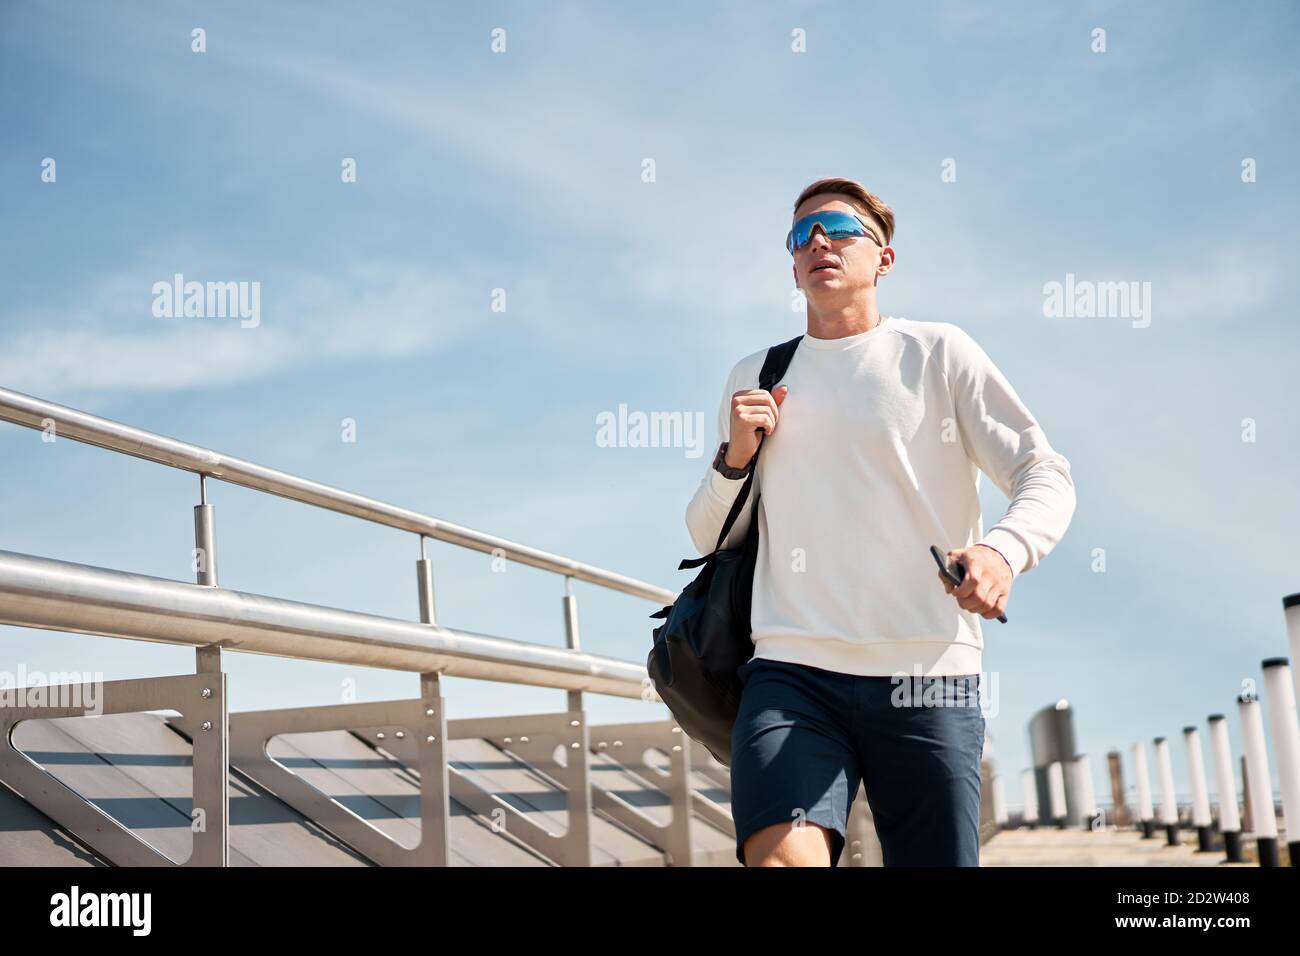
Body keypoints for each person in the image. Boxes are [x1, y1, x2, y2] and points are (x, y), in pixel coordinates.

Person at [684, 177, 1077, 867]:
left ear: (883, 259)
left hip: (927, 672)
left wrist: (1001, 553)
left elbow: (1044, 472)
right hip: (792, 671)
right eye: (801, 235)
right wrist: (734, 460)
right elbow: (705, 537)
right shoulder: (759, 373)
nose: (817, 244)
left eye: (836, 227)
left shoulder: (938, 353)